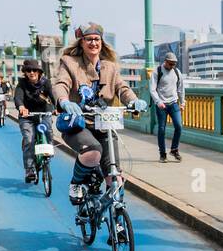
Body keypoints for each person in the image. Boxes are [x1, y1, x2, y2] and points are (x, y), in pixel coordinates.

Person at [51, 22, 144, 204]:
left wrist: (133, 100)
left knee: (115, 176)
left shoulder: (109, 66)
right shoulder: (70, 63)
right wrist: (65, 101)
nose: (93, 43)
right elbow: (61, 84)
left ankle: (118, 221)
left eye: (96, 39)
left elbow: (122, 88)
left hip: (105, 125)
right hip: (79, 124)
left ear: (102, 42)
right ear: (81, 43)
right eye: (88, 40)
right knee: (93, 152)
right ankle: (76, 183)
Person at [14, 58, 55, 184]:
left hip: (44, 113)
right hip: (27, 116)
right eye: (28, 70)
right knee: (29, 139)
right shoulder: (21, 84)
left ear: (39, 72)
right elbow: (18, 98)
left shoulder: (46, 83)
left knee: (48, 130)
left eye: (34, 70)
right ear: (25, 72)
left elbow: (53, 97)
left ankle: (48, 150)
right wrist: (21, 107)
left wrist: (58, 107)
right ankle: (30, 169)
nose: (32, 72)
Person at [150, 51, 184, 162]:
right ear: (165, 61)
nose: (172, 66)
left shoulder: (177, 72)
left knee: (179, 126)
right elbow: (152, 89)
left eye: (174, 64)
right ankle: (162, 154)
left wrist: (182, 102)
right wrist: (158, 102)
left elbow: (180, 89)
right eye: (170, 64)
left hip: (173, 103)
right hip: (161, 105)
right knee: (162, 129)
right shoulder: (157, 71)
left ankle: (174, 149)